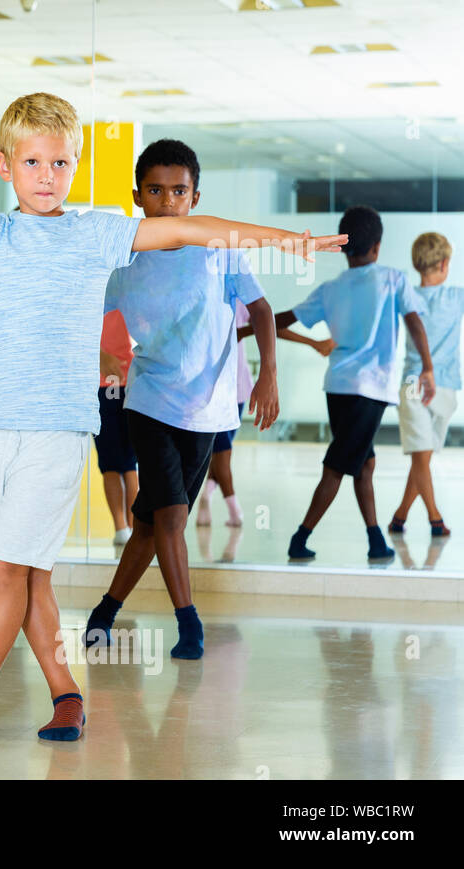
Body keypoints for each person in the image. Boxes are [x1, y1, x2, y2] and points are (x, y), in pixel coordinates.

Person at [0, 94, 343, 744]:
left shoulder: (96, 232)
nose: (47, 175)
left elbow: (194, 230)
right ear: (5, 165)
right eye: (32, 161)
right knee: (29, 575)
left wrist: (286, 241)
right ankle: (67, 694)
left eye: (60, 162)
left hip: (56, 427)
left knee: (2, 574)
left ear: (76, 166)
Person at [82, 138, 281, 660]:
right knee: (171, 518)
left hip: (209, 410)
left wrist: (267, 378)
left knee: (150, 522)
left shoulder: (219, 249)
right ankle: (188, 623)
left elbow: (260, 310)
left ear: (194, 197)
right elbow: (73, 313)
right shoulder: (124, 262)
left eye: (178, 190)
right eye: (155, 190)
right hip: (148, 400)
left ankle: (105, 610)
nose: (167, 201)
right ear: (137, 197)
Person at [253, 206, 435, 562]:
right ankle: (299, 537)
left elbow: (282, 319)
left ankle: (375, 540)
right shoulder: (393, 279)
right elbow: (414, 322)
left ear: (341, 248)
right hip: (370, 389)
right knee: (337, 465)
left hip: (337, 387)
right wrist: (427, 367)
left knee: (364, 463)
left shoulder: (330, 289)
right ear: (377, 247)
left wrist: (248, 325)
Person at [199, 303, 335, 527]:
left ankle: (208, 495)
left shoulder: (239, 297)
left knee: (221, 452)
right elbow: (256, 327)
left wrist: (312, 343)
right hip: (214, 391)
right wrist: (248, 330)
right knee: (221, 453)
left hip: (238, 388)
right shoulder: (204, 293)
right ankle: (235, 512)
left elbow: (269, 326)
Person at [389, 232, 462, 537]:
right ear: (445, 263)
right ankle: (435, 518)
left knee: (422, 458)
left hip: (417, 386)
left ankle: (399, 517)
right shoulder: (457, 296)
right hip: (437, 388)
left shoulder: (407, 297)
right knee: (422, 456)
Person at [97, 310, 138, 544]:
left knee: (118, 462)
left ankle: (124, 528)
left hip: (119, 382)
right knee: (121, 462)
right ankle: (124, 528)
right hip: (116, 382)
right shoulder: (128, 289)